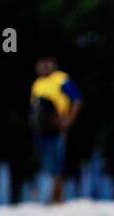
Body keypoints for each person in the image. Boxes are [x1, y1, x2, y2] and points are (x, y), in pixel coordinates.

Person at [30, 57, 83, 204]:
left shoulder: (61, 79)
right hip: (42, 130)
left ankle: (57, 196)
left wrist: (69, 120)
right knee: (47, 163)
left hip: (57, 128)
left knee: (57, 161)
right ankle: (52, 195)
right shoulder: (37, 84)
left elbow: (77, 99)